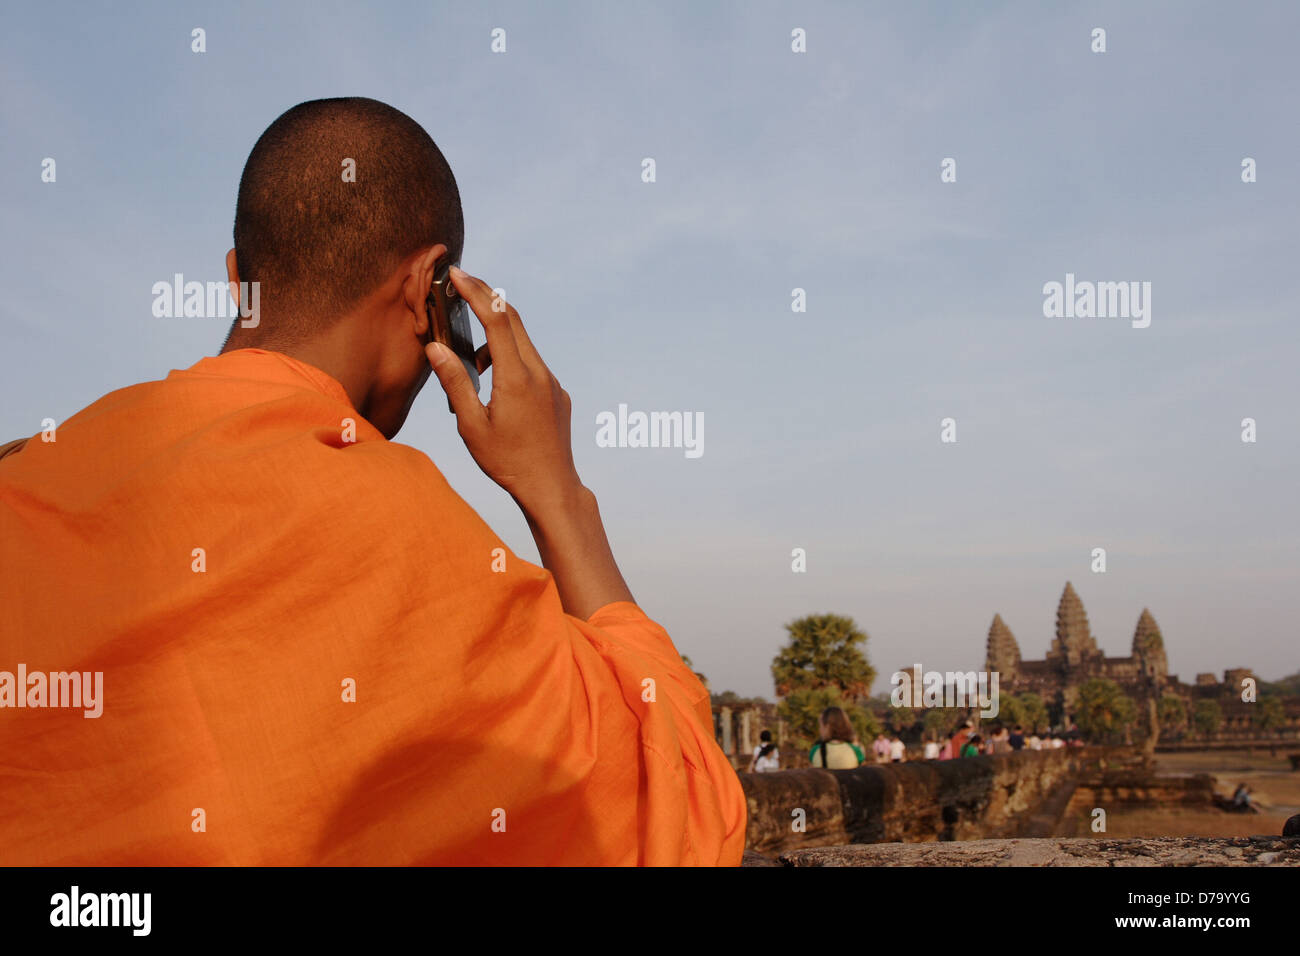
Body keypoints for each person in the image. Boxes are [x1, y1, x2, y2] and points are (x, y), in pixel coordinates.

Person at [0, 97, 747, 866]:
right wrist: (558, 495)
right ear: (429, 290)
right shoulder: (405, 536)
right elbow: (688, 814)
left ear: (235, 279)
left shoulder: (29, 477)